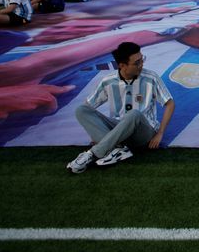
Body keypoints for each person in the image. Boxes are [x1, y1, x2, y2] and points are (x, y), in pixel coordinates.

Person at [66, 42, 176, 173]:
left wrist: (160, 133)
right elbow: (88, 106)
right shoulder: (108, 81)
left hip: (143, 133)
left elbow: (170, 104)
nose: (141, 65)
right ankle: (117, 149)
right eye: (137, 63)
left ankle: (93, 154)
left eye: (142, 60)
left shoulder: (150, 78)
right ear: (122, 65)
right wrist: (94, 130)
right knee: (81, 110)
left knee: (134, 114)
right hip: (119, 129)